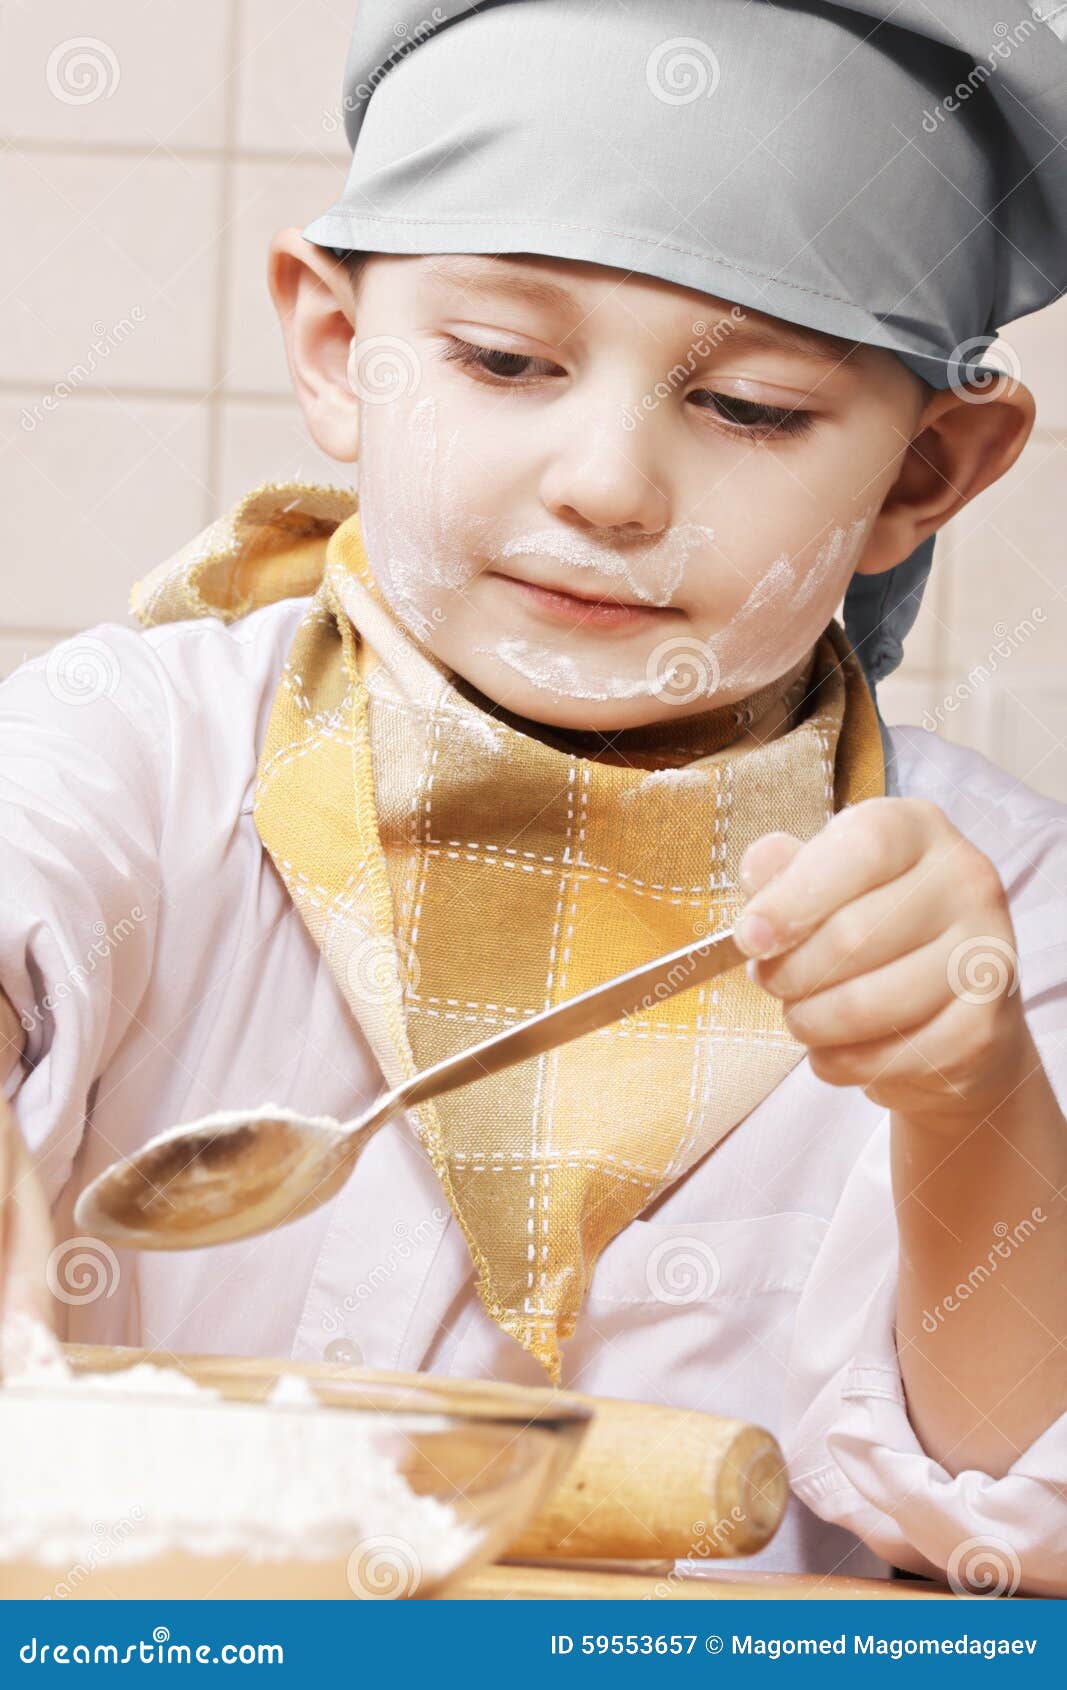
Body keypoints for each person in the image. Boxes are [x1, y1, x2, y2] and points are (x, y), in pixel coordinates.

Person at [2, 0, 1066, 1594]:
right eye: (506, 362)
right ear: (332, 345)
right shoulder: (142, 747)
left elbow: (1024, 1506)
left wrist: (971, 1097)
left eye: (753, 407)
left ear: (924, 476)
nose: (608, 483)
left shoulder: (988, 902)